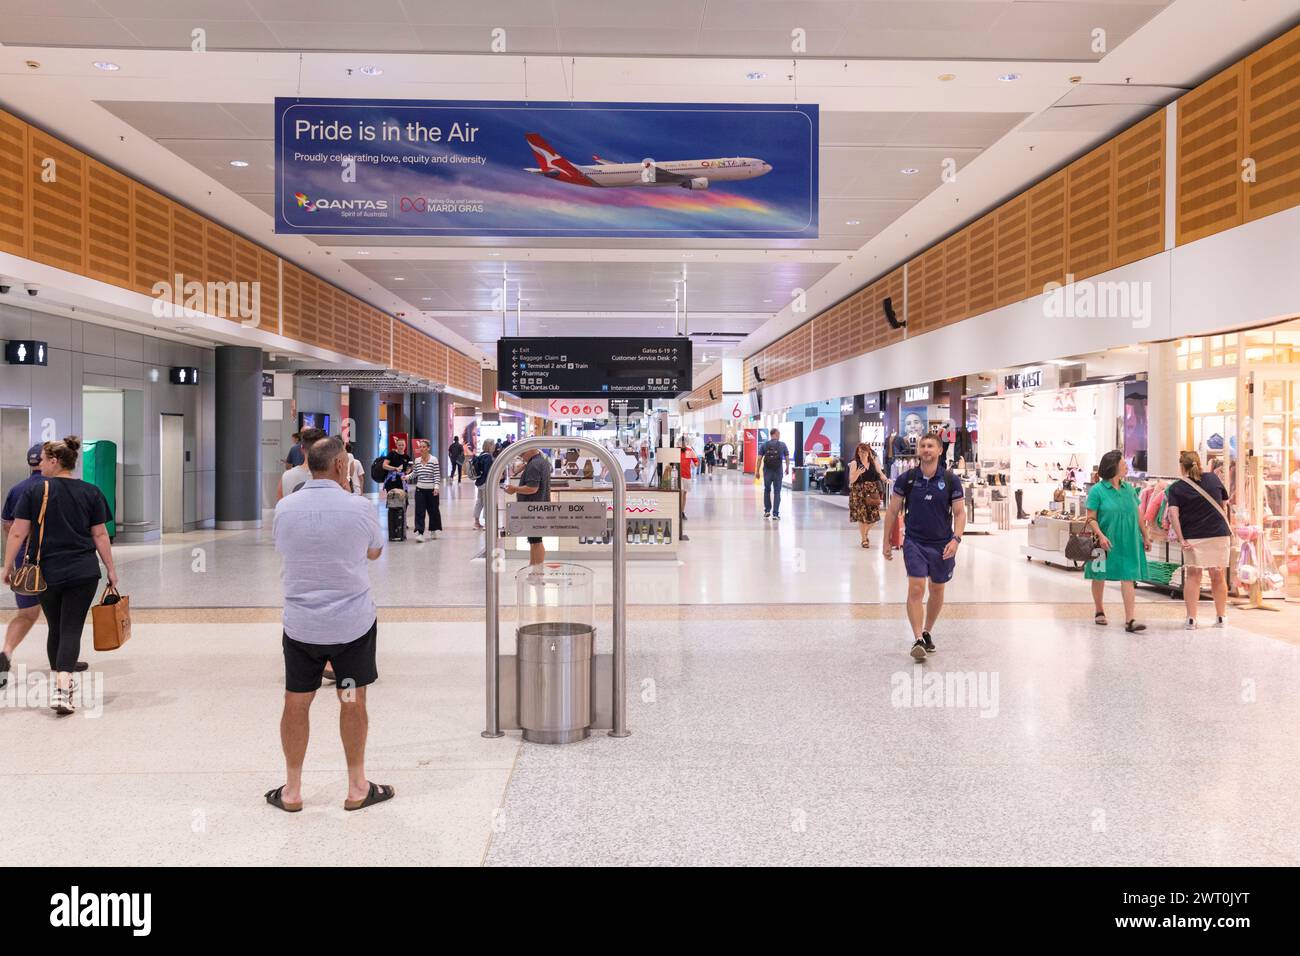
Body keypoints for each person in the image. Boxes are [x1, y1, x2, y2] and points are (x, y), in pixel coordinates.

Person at [268, 436, 392, 813]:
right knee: (351, 699)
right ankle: (357, 787)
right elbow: (373, 551)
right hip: (350, 628)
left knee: (296, 701)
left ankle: (292, 791)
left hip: (302, 627)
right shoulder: (359, 508)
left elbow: (284, 549)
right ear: (341, 466)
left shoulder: (285, 508)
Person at [2, 437, 118, 715]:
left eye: (42, 460)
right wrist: (111, 569)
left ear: (55, 461)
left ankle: (60, 684)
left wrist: (7, 567)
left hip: (46, 572)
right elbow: (100, 534)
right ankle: (63, 687)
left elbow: (17, 532)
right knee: (70, 628)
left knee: (56, 626)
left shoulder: (34, 493)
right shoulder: (91, 492)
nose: (39, 465)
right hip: (83, 572)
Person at [2, 443, 89, 687]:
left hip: (25, 560)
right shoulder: (59, 488)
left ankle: (6, 652)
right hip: (54, 560)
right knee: (62, 616)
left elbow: (10, 528)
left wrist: (10, 564)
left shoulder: (18, 489)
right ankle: (63, 667)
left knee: (28, 613)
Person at [882, 433, 966, 659]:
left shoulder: (950, 480)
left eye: (931, 446)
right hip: (914, 542)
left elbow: (959, 513)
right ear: (918, 450)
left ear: (940, 450)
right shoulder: (907, 478)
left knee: (937, 588)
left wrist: (956, 539)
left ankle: (928, 631)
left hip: (942, 544)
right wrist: (886, 541)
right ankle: (917, 638)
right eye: (923, 446)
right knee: (917, 587)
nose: (926, 449)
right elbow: (892, 511)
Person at [1084, 449, 1151, 633]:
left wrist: (1145, 535)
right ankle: (1099, 610)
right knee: (1099, 575)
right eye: (1123, 464)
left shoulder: (1129, 489)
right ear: (1113, 467)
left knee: (1128, 576)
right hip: (1102, 541)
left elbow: (1138, 515)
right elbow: (1090, 518)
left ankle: (1130, 620)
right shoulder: (1097, 490)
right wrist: (1101, 535)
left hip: (1129, 540)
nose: (1126, 467)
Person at [1166, 450, 1231, 629]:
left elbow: (1173, 515)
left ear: (1182, 466)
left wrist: (1181, 539)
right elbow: (1223, 505)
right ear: (1199, 463)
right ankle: (1221, 617)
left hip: (1193, 535)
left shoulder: (1176, 488)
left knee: (1193, 576)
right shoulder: (1213, 479)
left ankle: (1191, 619)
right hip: (1218, 532)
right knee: (1217, 574)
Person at [504, 447, 552, 565]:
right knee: (533, 540)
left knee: (536, 541)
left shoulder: (534, 465)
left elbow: (532, 488)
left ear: (532, 450)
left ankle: (538, 572)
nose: (522, 455)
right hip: (538, 507)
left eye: (523, 452)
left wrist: (514, 489)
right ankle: (533, 568)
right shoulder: (541, 461)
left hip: (533, 509)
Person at [847, 442, 885, 548]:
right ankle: (864, 539)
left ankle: (865, 533)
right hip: (858, 492)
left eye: (863, 452)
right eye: (859, 452)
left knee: (874, 516)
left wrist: (886, 479)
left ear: (868, 452)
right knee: (862, 517)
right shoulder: (854, 463)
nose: (861, 454)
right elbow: (851, 480)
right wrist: (858, 472)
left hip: (872, 492)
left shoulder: (873, 462)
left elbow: (880, 473)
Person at [410, 440, 443, 542]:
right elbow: (414, 473)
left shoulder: (434, 460)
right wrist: (406, 476)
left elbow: (437, 475)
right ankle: (420, 533)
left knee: (433, 511)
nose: (422, 449)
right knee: (419, 511)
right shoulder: (417, 460)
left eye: (424, 447)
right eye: (420, 447)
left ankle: (433, 529)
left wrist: (436, 487)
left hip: (432, 490)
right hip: (420, 489)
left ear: (428, 448)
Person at [279, 427, 325, 499]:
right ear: (325, 449)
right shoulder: (332, 477)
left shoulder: (286, 476)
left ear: (302, 449)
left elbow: (280, 506)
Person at [760, 427, 790, 520]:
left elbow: (759, 458)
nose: (779, 435)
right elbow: (787, 457)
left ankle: (767, 511)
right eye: (779, 433)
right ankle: (775, 514)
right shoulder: (782, 445)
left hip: (767, 471)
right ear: (776, 434)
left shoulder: (764, 445)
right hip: (778, 471)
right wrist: (787, 468)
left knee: (767, 490)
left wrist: (757, 471)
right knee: (777, 492)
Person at [472, 439, 497, 531]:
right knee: (487, 502)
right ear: (490, 446)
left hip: (479, 482)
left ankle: (476, 522)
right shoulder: (488, 458)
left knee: (480, 502)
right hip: (486, 483)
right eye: (493, 445)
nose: (494, 447)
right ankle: (487, 523)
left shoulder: (481, 455)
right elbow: (488, 472)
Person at [678, 438, 697, 522]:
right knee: (680, 493)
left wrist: (695, 464)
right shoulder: (676, 451)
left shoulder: (689, 451)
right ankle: (678, 512)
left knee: (684, 494)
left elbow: (696, 461)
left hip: (687, 475)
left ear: (686, 443)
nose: (682, 444)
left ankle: (682, 511)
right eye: (681, 443)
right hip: (678, 476)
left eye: (684, 443)